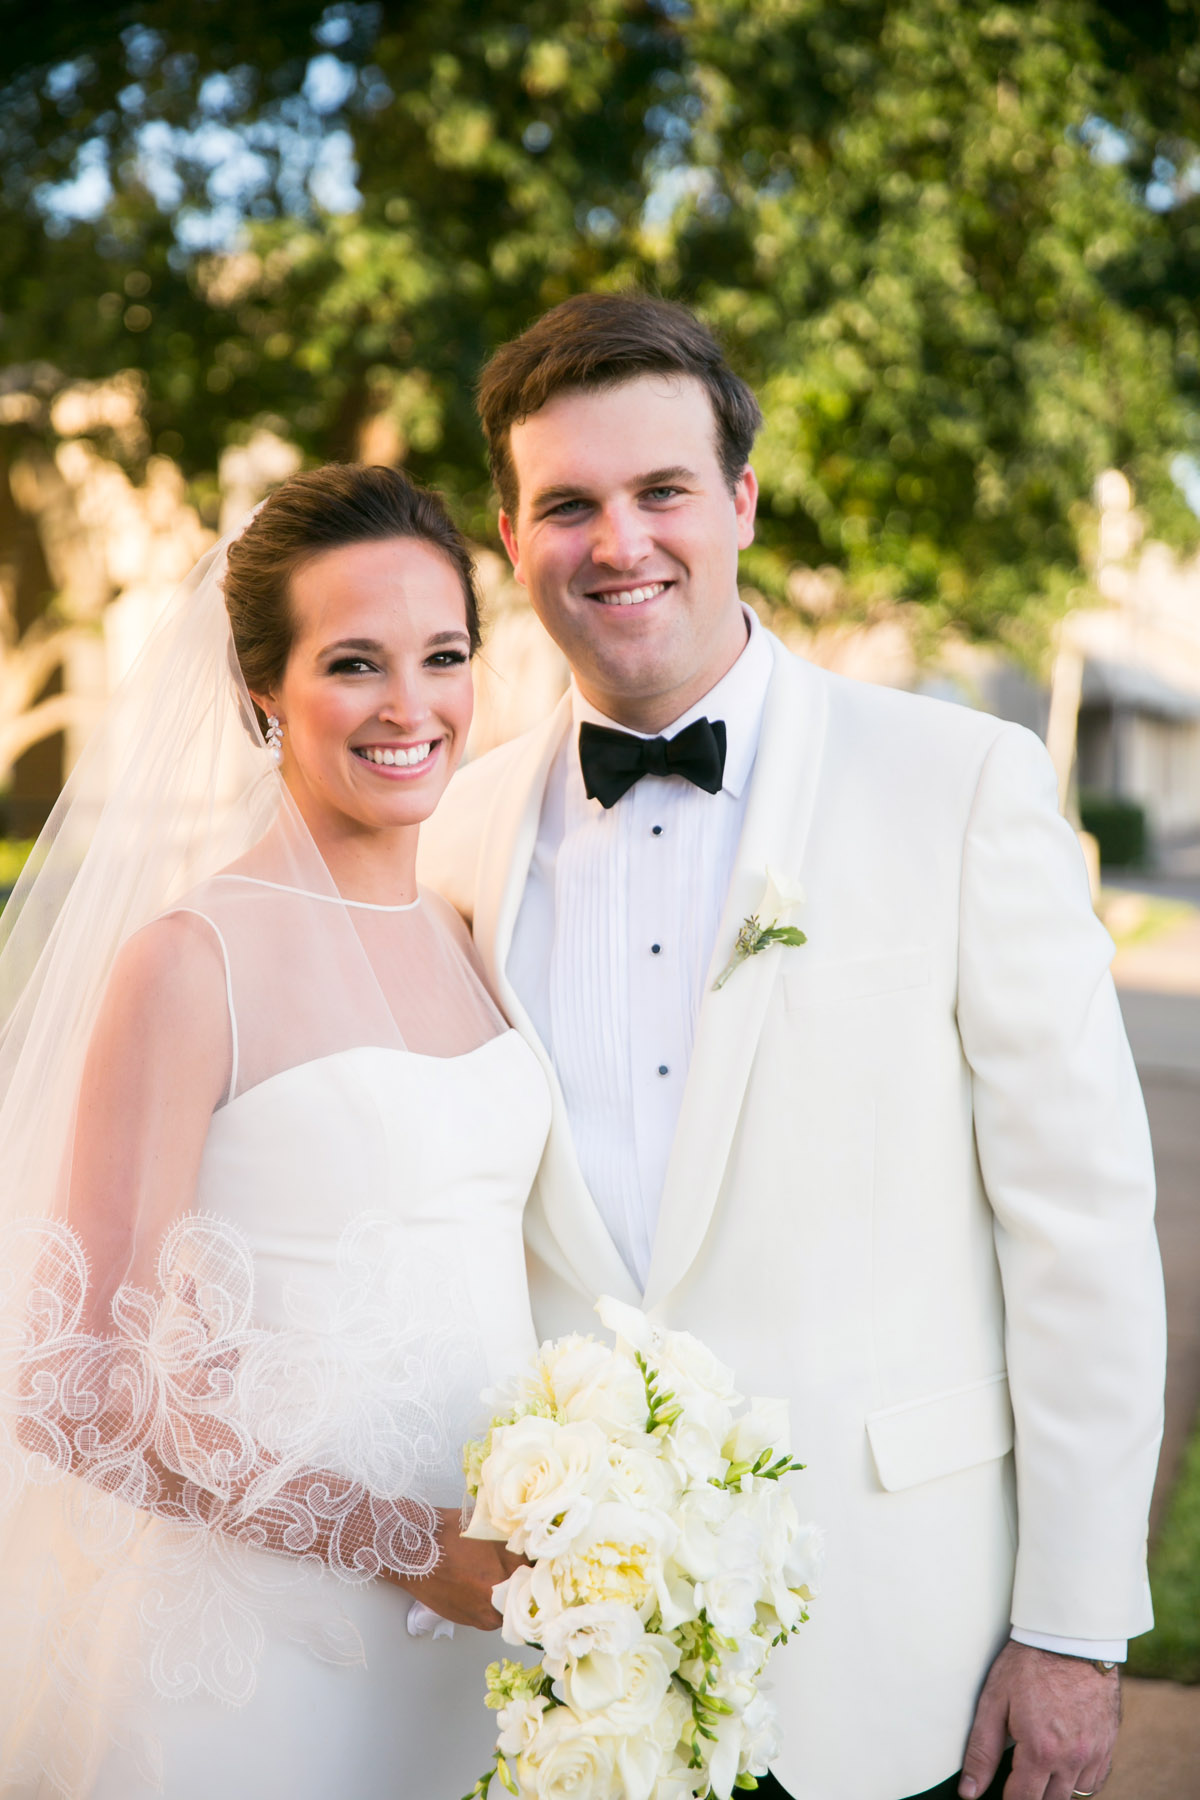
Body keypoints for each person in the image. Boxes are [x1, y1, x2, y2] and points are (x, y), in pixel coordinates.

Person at [417, 292, 1167, 1800]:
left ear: (740, 502)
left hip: (902, 1643)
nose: (617, 541)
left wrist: (1075, 1631)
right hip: (561, 1655)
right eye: (568, 503)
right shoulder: (454, 827)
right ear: (512, 539)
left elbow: (1080, 1223)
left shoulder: (959, 781)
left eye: (660, 491)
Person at [0, 465, 549, 1800]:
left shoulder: (469, 931)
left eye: (444, 655)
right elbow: (78, 1388)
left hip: (482, 1634)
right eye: (354, 663)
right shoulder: (194, 961)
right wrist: (400, 1542)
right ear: (262, 690)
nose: (411, 706)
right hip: (274, 1645)